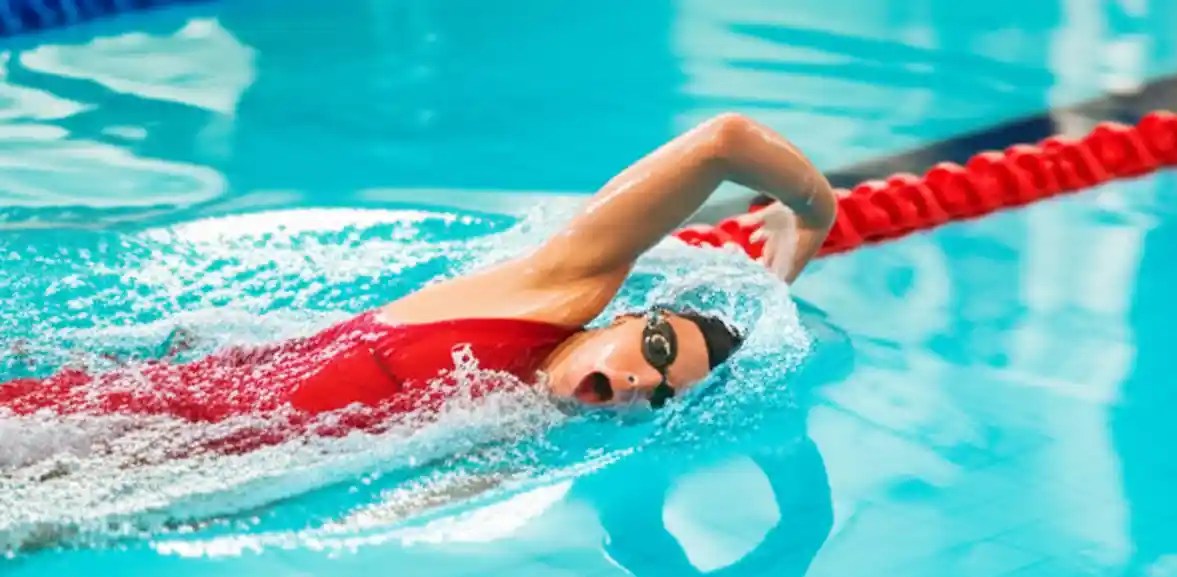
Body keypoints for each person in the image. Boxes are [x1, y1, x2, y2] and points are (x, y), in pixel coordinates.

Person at [0, 114, 836, 454]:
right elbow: (723, 141)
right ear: (624, 316)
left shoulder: (511, 429)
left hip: (155, 460)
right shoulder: (550, 293)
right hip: (112, 413)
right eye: (655, 347)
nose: (634, 381)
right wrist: (815, 206)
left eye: (657, 394)